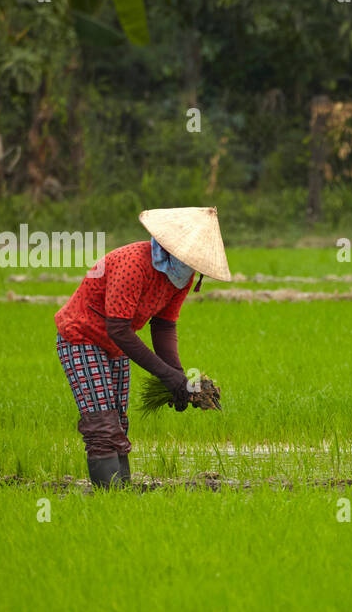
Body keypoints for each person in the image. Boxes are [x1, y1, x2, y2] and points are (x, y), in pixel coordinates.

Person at [53, 206, 231, 487]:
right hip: (83, 337)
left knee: (119, 424)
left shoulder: (180, 277)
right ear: (173, 248)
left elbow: (163, 325)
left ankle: (122, 495)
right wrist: (168, 376)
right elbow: (119, 328)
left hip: (117, 345)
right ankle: (110, 499)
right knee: (102, 423)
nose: (193, 266)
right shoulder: (133, 264)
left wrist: (178, 379)